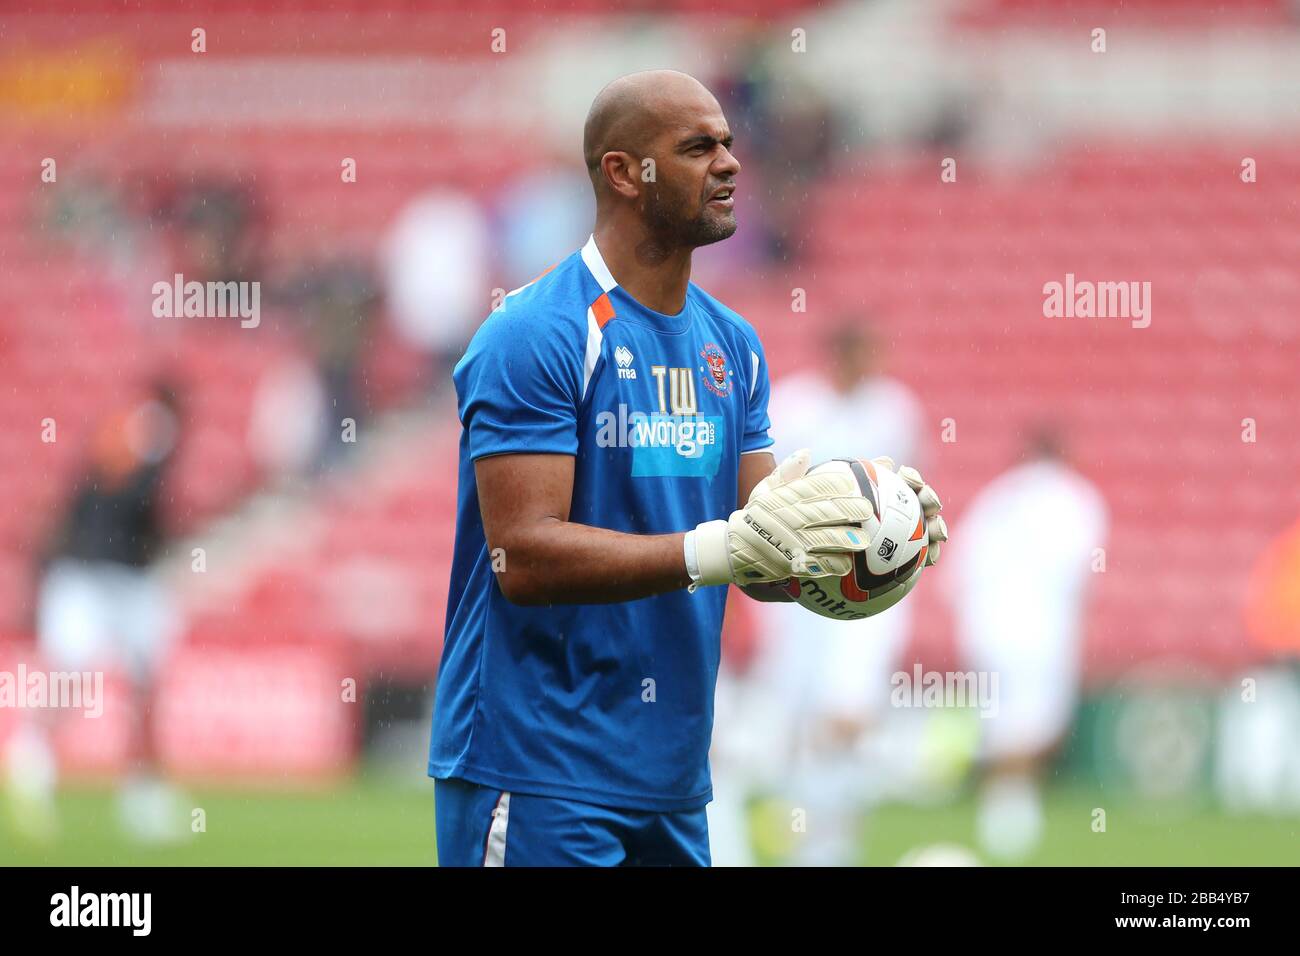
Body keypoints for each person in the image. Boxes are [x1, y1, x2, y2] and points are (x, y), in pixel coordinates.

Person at [426, 70, 947, 867]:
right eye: (698, 147)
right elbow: (522, 556)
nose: (731, 163)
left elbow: (769, 556)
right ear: (625, 173)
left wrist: (876, 539)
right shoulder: (535, 333)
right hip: (536, 769)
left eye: (730, 144)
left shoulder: (732, 346)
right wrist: (714, 552)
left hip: (671, 780)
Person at [710, 320, 927, 866]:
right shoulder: (796, 407)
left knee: (847, 713)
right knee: (795, 716)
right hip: (803, 587)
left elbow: (908, 498)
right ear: (840, 353)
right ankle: (791, 833)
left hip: (874, 586)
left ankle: (829, 846)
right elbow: (761, 496)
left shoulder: (896, 411)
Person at [4, 383, 187, 844]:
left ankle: (140, 794)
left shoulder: (122, 436)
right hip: (93, 577)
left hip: (121, 576)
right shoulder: (143, 435)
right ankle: (33, 759)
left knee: (139, 686)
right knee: (85, 679)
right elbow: (117, 502)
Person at [945, 426, 1107, 861]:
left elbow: (957, 568)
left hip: (986, 630)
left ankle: (1004, 810)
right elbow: (1080, 571)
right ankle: (1010, 818)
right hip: (1041, 633)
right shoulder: (1076, 498)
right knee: (1037, 728)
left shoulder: (997, 498)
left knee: (1004, 725)